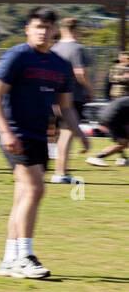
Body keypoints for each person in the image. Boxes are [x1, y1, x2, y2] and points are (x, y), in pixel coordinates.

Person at [0, 8, 87, 279]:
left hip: (40, 136)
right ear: (27, 29)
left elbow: (65, 106)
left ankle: (9, 259)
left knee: (23, 195)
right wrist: (5, 132)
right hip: (16, 135)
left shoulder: (59, 64)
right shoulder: (17, 56)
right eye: (37, 26)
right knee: (35, 190)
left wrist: (79, 132)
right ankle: (25, 255)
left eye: (47, 27)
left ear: (55, 31)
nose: (42, 31)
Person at [49, 18, 93, 184]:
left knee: (61, 132)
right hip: (73, 96)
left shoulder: (54, 47)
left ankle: (59, 171)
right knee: (67, 132)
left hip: (53, 95)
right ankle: (61, 172)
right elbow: (80, 72)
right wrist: (89, 89)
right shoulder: (77, 48)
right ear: (76, 29)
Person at [85, 95, 129, 167]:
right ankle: (97, 158)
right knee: (123, 143)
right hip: (113, 117)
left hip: (106, 114)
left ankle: (123, 159)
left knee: (122, 140)